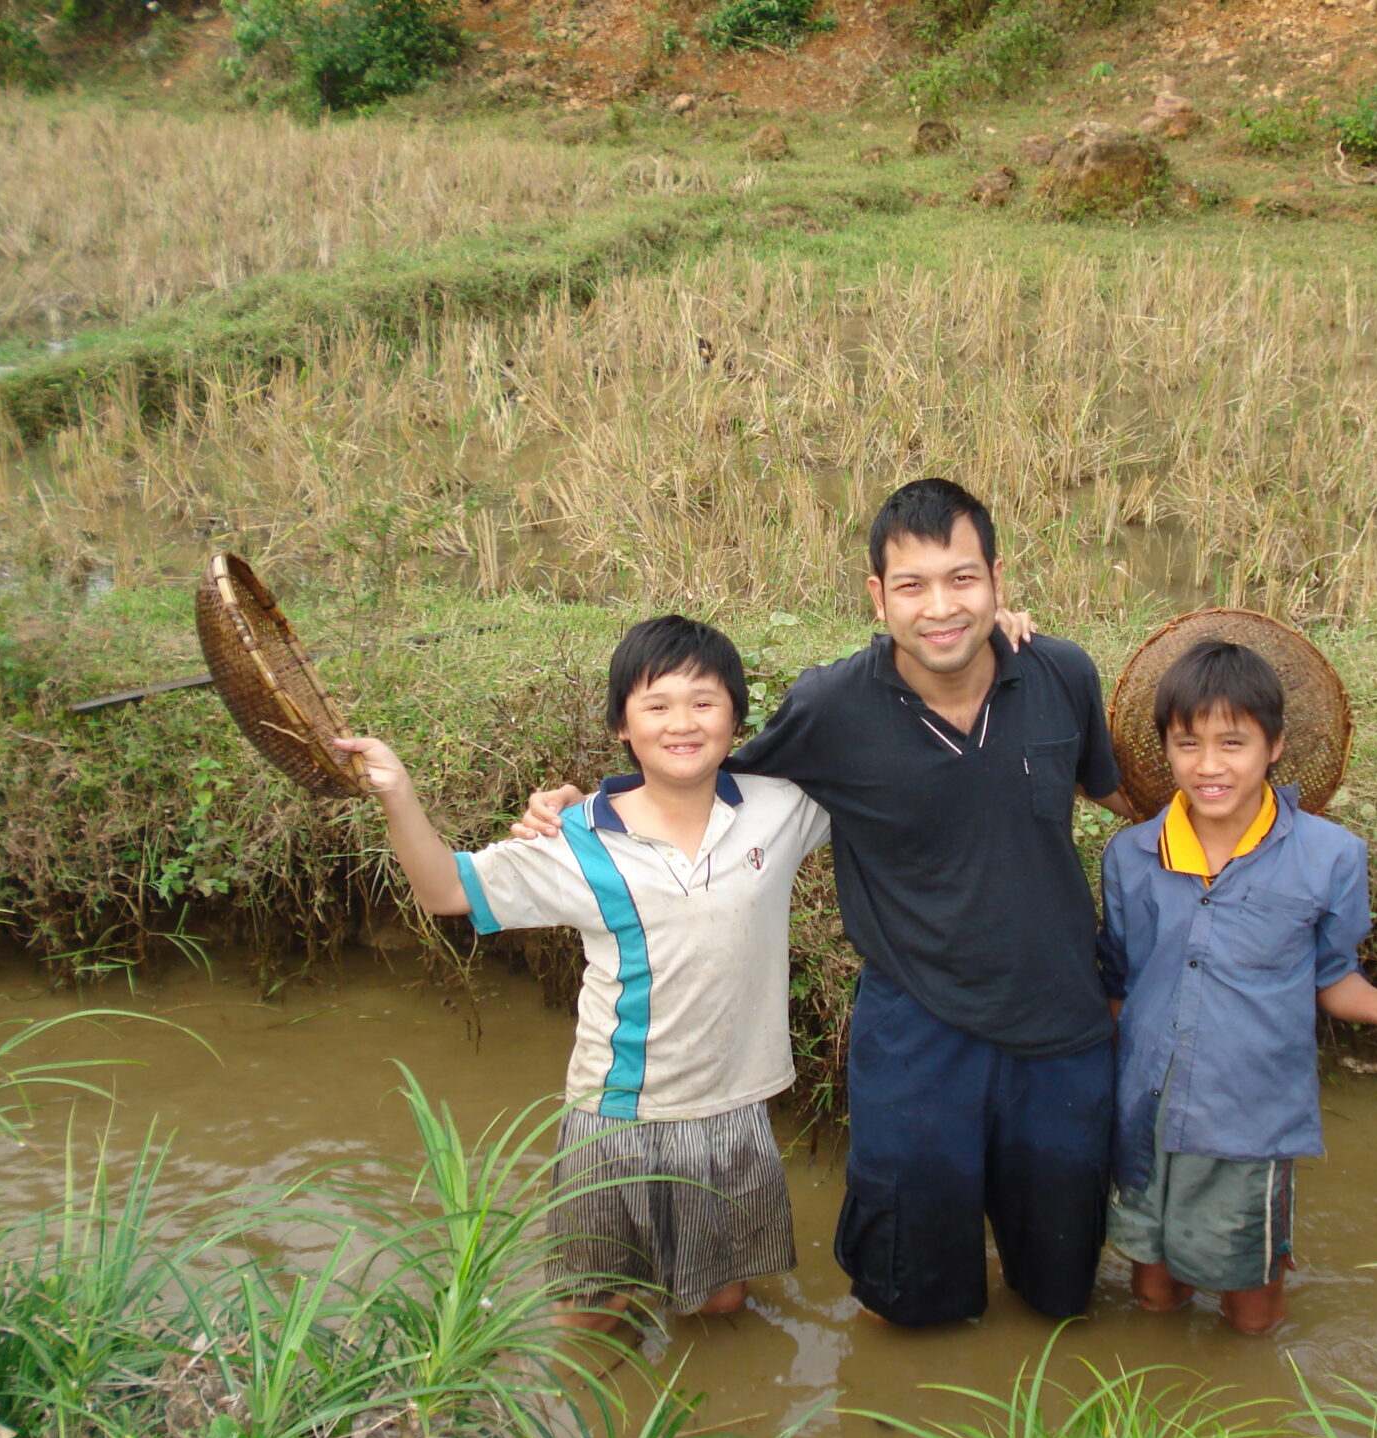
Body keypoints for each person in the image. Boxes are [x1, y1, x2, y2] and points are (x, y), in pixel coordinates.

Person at [520, 479, 1131, 1327]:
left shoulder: (1062, 672)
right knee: (909, 1302)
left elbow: (1123, 798)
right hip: (917, 1030)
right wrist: (586, 812)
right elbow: (704, 776)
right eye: (912, 586)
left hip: (1061, 1029)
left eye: (963, 580)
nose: (941, 607)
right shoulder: (833, 706)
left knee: (1062, 1295)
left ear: (998, 578)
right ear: (878, 596)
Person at [334, 615, 829, 1330]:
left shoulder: (782, 808)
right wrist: (396, 792)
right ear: (622, 724)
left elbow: (882, 754)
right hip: (617, 1116)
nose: (681, 723)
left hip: (732, 1110)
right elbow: (448, 890)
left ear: (735, 717)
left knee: (721, 1304)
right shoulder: (577, 840)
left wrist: (988, 642)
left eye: (704, 702)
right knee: (591, 1312)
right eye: (656, 705)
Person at [1099, 639, 1377, 1335]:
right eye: (1188, 744)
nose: (1210, 765)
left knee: (1251, 1310)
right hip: (1146, 1113)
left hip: (1249, 1117)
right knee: (1153, 1289)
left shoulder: (1330, 856)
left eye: (1233, 742)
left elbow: (1333, 977)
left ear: (1274, 745)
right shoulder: (1131, 854)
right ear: (1165, 748)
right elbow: (1122, 983)